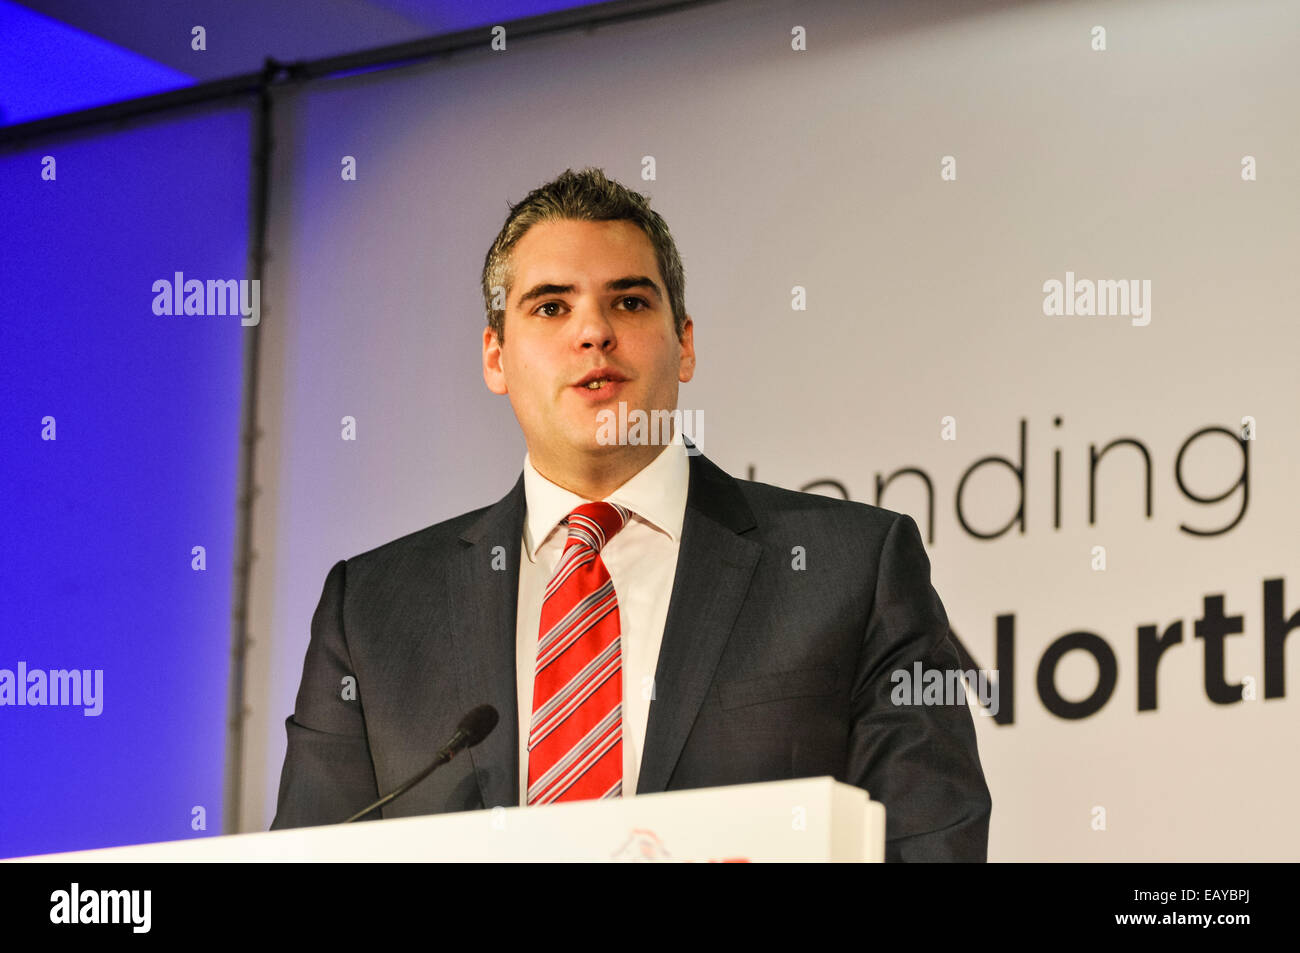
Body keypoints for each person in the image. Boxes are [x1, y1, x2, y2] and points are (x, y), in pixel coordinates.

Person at [271, 167, 992, 861]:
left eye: (629, 301)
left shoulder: (851, 570)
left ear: (684, 343)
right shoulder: (371, 611)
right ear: (495, 356)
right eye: (551, 305)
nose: (594, 332)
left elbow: (931, 843)